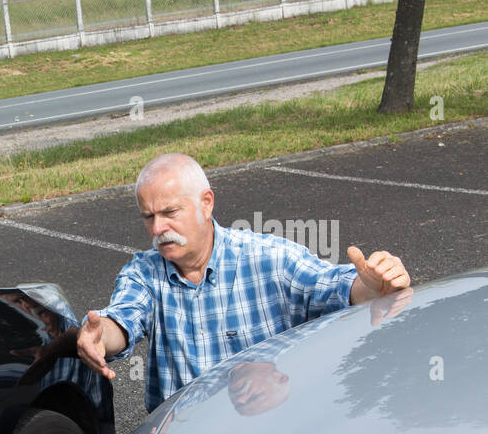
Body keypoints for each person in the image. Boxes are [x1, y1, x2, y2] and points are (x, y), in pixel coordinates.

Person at [77, 153, 412, 412]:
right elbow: (122, 320)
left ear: (206, 203)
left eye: (169, 213)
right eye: (148, 217)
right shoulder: (145, 272)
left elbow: (332, 286)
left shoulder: (268, 258)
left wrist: (374, 287)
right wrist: (99, 337)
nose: (157, 228)